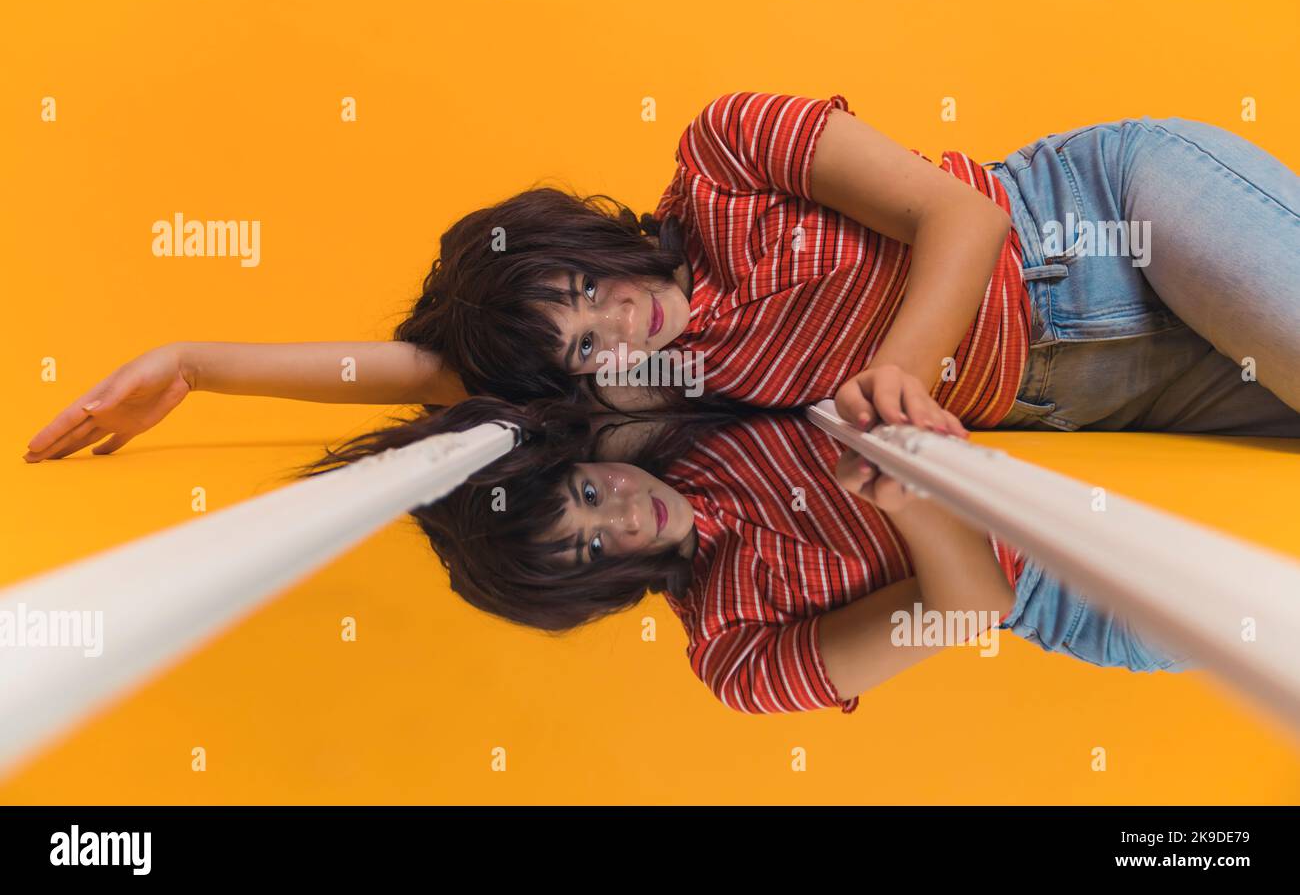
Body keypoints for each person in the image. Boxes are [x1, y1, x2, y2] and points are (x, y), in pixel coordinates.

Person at [25, 91, 1300, 462]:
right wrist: (192, 363)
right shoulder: (688, 368)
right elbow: (413, 369)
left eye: (576, 285)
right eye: (577, 343)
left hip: (1099, 224)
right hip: (1090, 396)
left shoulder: (728, 151)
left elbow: (956, 211)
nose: (602, 319)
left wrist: (899, 370)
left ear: (585, 238)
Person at [296, 395, 1194, 715]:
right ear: (600, 590)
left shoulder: (677, 426)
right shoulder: (734, 656)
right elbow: (973, 610)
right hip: (1080, 592)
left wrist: (200, 363)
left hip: (1072, 419)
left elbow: (464, 364)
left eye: (586, 494)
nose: (625, 518)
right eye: (593, 551)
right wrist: (914, 508)